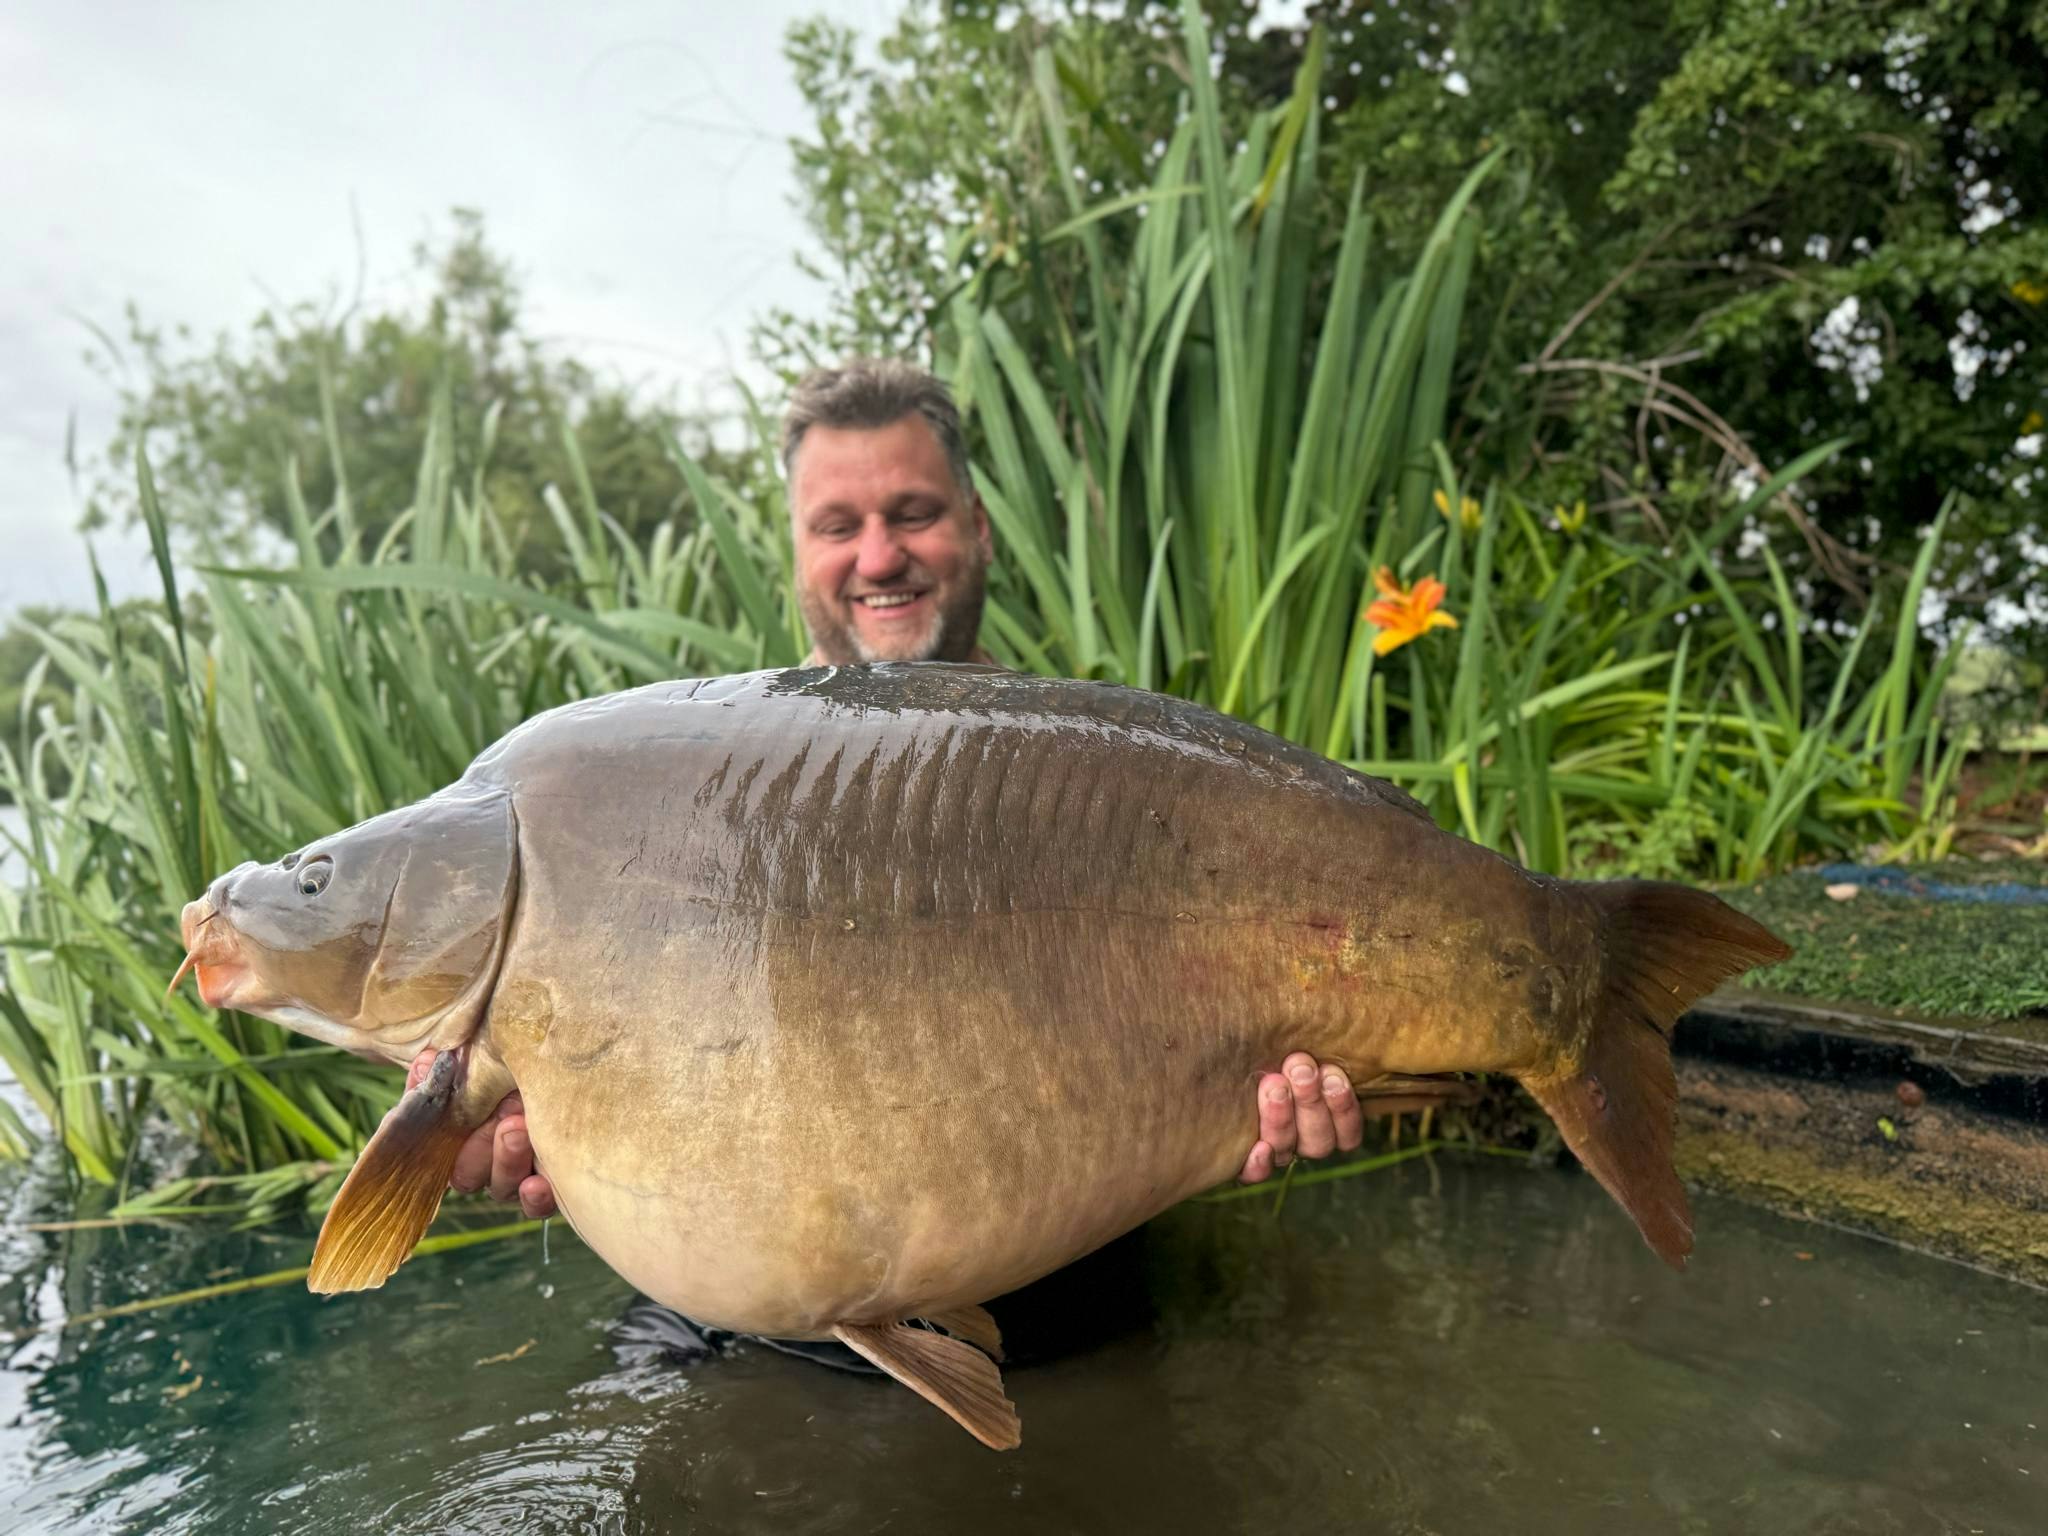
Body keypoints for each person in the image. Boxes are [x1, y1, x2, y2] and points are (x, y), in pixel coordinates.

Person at [416, 360, 1364, 1350]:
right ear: (797, 555)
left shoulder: (1117, 783)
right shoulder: (689, 793)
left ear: (977, 527)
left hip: (1056, 1296)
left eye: (911, 514)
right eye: (837, 527)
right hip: (744, 1319)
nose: (878, 557)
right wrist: (532, 1119)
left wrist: (1296, 1092)